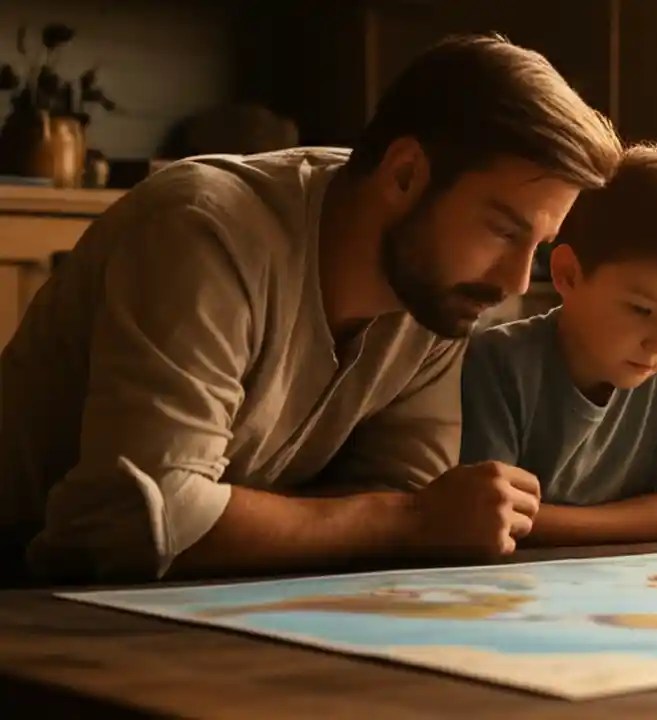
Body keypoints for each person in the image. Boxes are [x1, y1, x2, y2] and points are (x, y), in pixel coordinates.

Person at [0, 35, 622, 584]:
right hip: (29, 597)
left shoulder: (437, 295)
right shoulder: (204, 231)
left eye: (537, 248)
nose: (514, 281)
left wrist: (399, 517)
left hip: (195, 609)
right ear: (405, 174)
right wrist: (410, 520)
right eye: (502, 230)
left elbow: (390, 497)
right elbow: (143, 516)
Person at [459, 144, 657, 545]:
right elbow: (493, 516)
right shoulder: (498, 362)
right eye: (641, 310)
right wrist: (637, 519)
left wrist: (543, 522)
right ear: (568, 275)